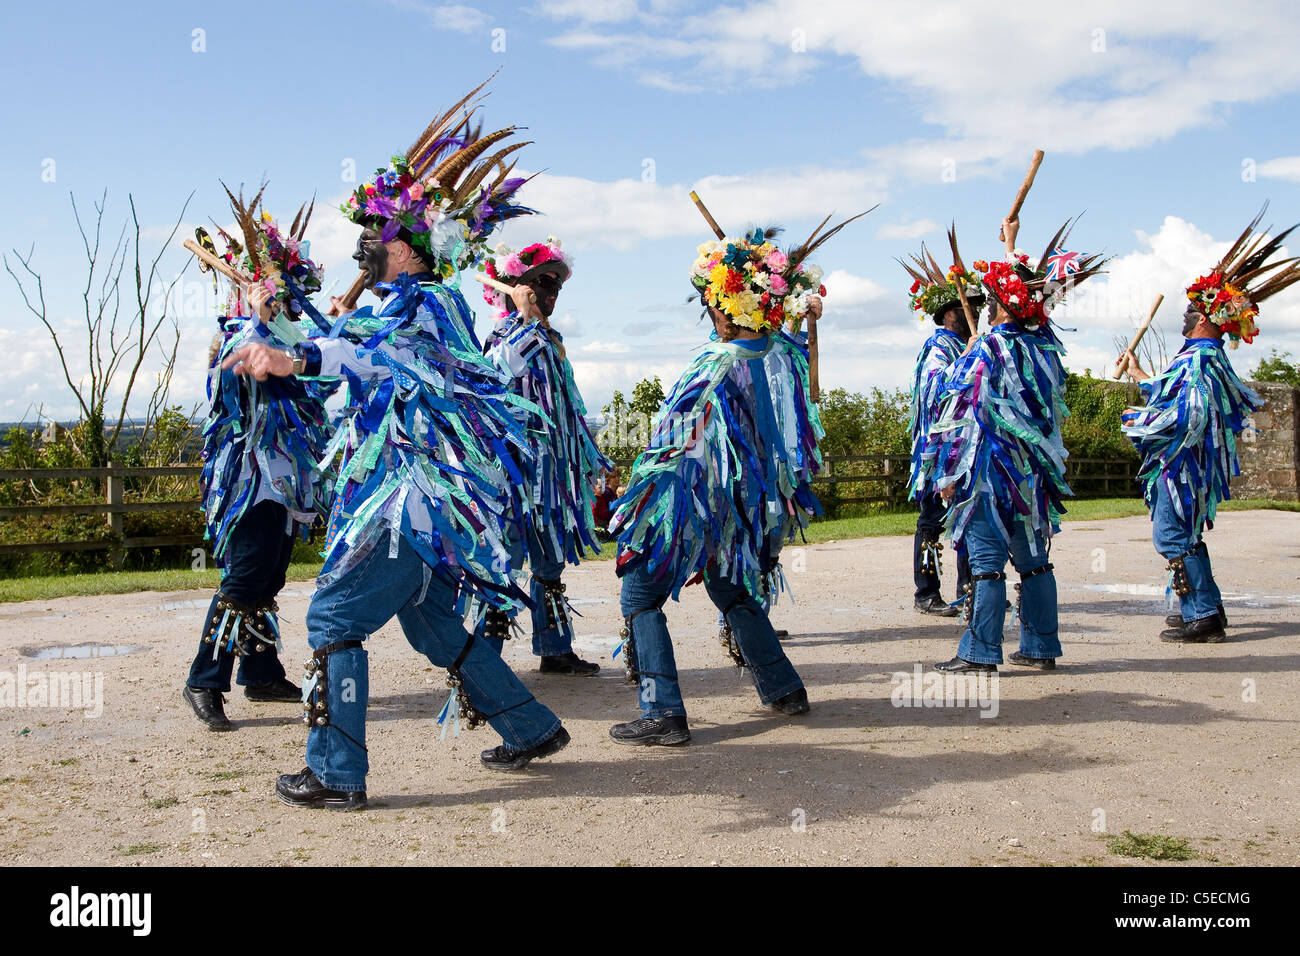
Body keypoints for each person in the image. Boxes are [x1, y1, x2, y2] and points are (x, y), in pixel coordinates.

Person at [224, 103, 568, 810]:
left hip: (408, 505)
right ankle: (529, 726)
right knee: (430, 622)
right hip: (428, 507)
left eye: (373, 235)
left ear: (411, 245)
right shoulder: (411, 303)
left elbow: (363, 352)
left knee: (332, 623)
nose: (362, 247)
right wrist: (271, 319)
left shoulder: (424, 307)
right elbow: (348, 335)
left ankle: (336, 773)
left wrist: (293, 356)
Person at [608, 216, 865, 745]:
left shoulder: (715, 366)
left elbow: (675, 444)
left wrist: (640, 501)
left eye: (713, 305)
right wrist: (802, 320)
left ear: (730, 310)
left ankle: (663, 713)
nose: (709, 313)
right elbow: (790, 359)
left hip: (692, 504)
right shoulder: (777, 359)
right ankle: (783, 687)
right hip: (745, 508)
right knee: (730, 586)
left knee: (639, 593)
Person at [921, 217, 1107, 673]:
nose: (985, 308)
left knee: (985, 563)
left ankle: (980, 652)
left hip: (987, 474)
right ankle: (1041, 647)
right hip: (1030, 478)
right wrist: (1009, 243)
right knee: (1034, 563)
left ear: (1003, 305)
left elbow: (959, 409)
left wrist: (947, 473)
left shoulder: (989, 349)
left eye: (992, 301)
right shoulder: (1043, 348)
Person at [183, 194, 335, 731]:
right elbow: (229, 387)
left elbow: (326, 380)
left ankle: (261, 671)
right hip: (250, 475)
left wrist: (331, 336)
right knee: (245, 577)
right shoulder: (236, 334)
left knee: (269, 576)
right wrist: (255, 320)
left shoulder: (292, 336)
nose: (290, 295)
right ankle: (205, 679)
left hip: (290, 476)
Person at [1119, 207, 1299, 643]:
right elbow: (1177, 394)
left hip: (1181, 464)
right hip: (1190, 465)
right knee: (1184, 533)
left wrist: (1143, 423)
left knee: (1171, 534)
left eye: (1189, 312)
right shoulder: (1202, 358)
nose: (1183, 316)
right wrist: (1141, 375)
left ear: (1204, 319)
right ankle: (1202, 608)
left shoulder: (1200, 358)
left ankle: (1201, 614)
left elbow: (1192, 414)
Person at [472, 237, 610, 674]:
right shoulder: (500, 337)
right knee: (502, 563)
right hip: (511, 471)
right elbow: (496, 373)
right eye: (540, 285)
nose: (550, 294)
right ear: (519, 288)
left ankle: (555, 649)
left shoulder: (553, 339)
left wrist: (582, 455)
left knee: (549, 563)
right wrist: (526, 316)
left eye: (555, 287)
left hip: (550, 473)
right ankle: (482, 661)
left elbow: (565, 403)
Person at [900, 237, 979, 617]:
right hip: (938, 452)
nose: (974, 314)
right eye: (968, 308)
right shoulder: (940, 346)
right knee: (932, 519)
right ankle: (927, 592)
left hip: (965, 448)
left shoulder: (966, 343)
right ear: (950, 313)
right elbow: (935, 390)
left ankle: (970, 588)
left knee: (966, 515)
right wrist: (965, 361)